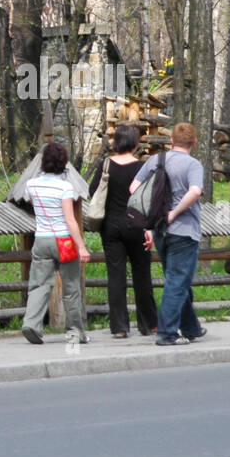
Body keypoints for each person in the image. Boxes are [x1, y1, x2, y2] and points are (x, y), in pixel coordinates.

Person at [130, 122, 206, 346]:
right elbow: (195, 191)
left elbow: (134, 188)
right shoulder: (193, 165)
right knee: (177, 282)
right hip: (184, 231)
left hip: (161, 230)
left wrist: (152, 218)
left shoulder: (156, 160)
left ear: (171, 140)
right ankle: (167, 333)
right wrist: (174, 212)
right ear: (194, 142)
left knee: (178, 280)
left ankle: (191, 327)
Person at [87, 125, 158, 337]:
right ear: (135, 144)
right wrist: (150, 228)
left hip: (111, 227)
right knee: (142, 274)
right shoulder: (142, 168)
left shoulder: (106, 165)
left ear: (116, 142)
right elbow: (150, 200)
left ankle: (119, 327)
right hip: (137, 226)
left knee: (116, 276)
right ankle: (149, 324)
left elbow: (93, 192)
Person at [21, 141, 91, 344]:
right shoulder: (65, 187)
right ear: (63, 163)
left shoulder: (31, 185)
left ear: (43, 163)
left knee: (39, 285)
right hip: (64, 241)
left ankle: (31, 324)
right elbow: (70, 219)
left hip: (41, 239)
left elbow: (34, 205)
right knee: (71, 287)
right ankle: (75, 331)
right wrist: (82, 246)